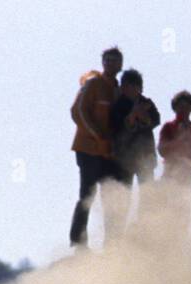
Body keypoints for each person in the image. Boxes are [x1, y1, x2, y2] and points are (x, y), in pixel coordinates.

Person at [68, 46, 129, 247]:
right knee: (87, 193)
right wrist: (96, 134)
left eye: (115, 61)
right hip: (88, 148)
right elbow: (78, 111)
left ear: (121, 65)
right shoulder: (93, 84)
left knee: (110, 194)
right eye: (107, 60)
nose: (111, 64)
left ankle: (111, 242)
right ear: (103, 63)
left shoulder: (119, 89)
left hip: (109, 151)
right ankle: (78, 241)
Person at [108, 69, 161, 229]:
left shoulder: (147, 103)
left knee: (147, 196)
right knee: (122, 199)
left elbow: (155, 121)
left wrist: (143, 114)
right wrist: (132, 115)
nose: (128, 89)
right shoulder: (118, 105)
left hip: (145, 157)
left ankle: (144, 233)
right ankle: (116, 237)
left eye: (132, 86)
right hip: (124, 159)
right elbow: (117, 126)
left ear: (139, 88)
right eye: (125, 85)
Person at [156, 90, 191, 232]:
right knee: (165, 209)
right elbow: (161, 149)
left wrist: (189, 138)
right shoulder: (168, 127)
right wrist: (178, 140)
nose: (183, 110)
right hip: (169, 172)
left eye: (187, 107)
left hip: (186, 173)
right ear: (175, 107)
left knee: (183, 212)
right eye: (180, 106)